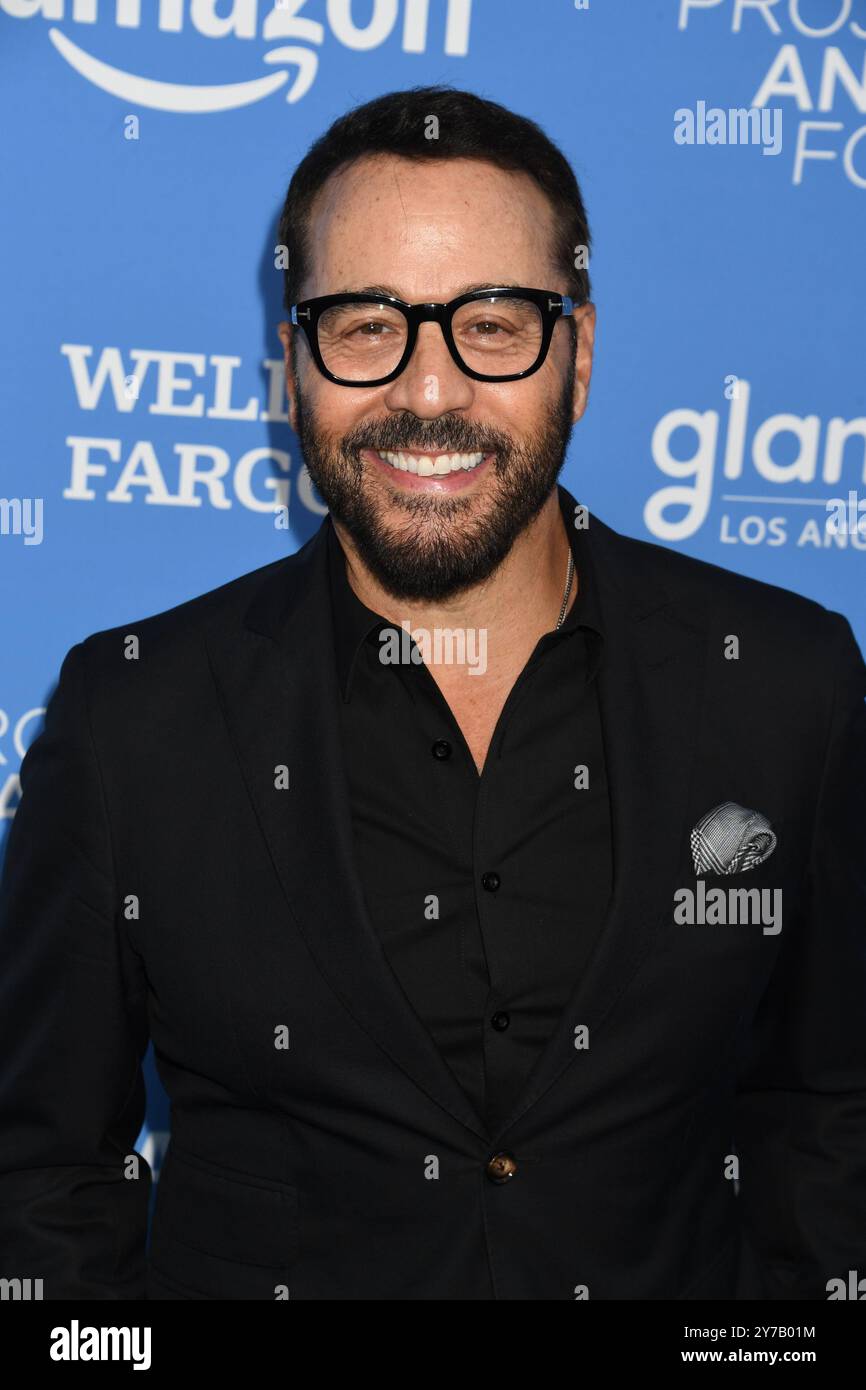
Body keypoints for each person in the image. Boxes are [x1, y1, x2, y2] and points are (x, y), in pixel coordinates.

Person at [1, 86, 864, 1301]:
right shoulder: (131, 715)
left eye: (493, 323)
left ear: (577, 354)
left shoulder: (785, 681)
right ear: (291, 360)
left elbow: (829, 1112)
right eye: (365, 324)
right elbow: (40, 1172)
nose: (427, 392)